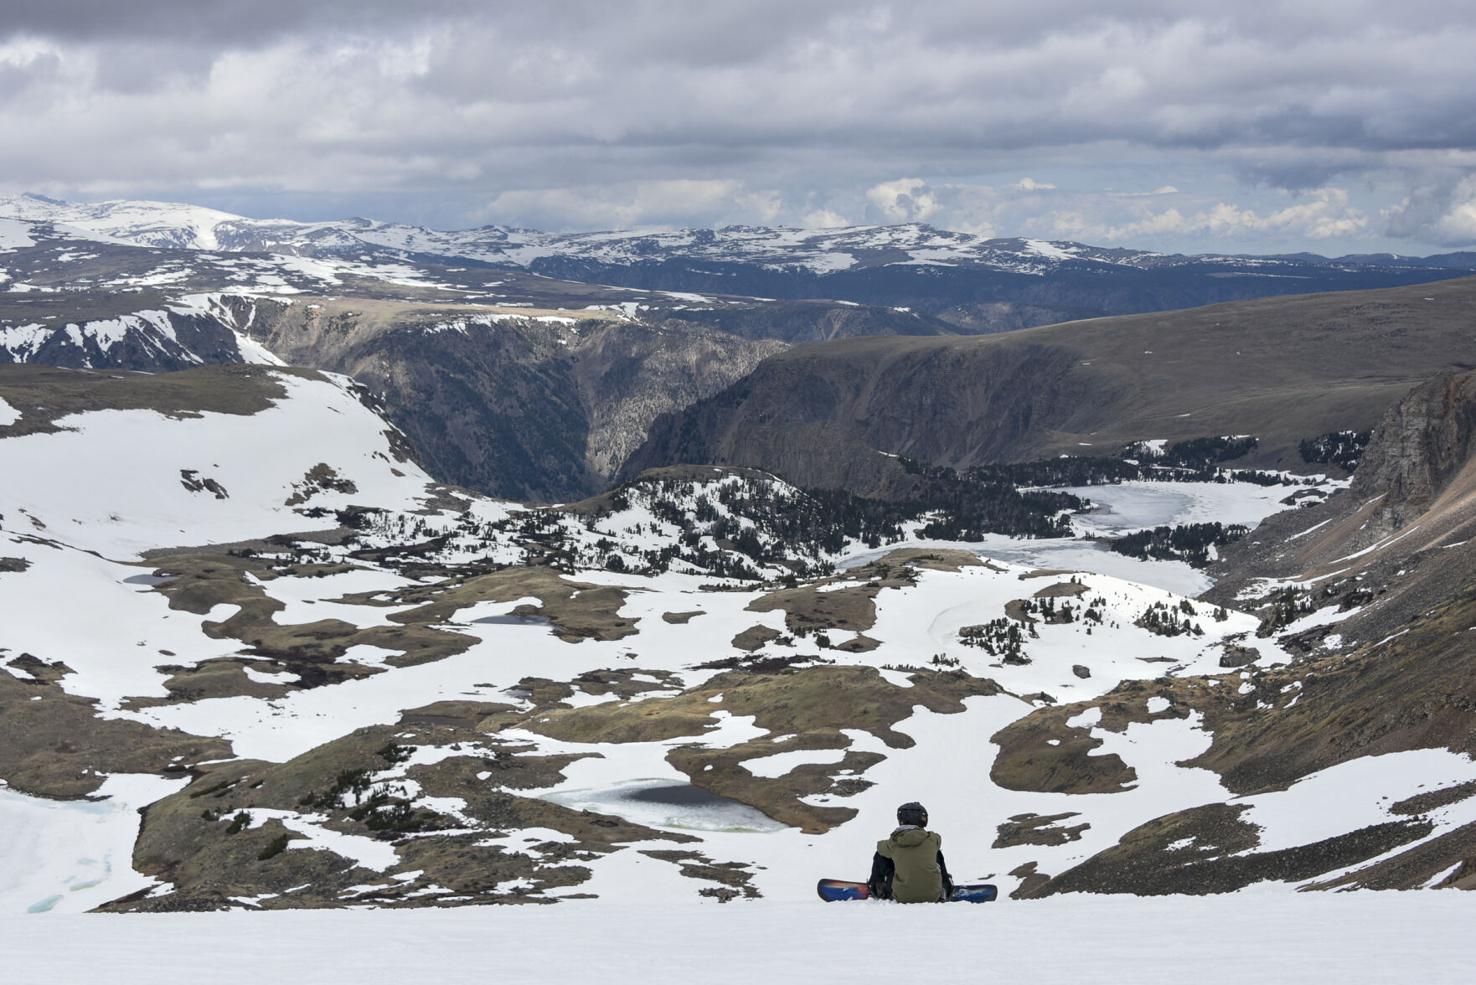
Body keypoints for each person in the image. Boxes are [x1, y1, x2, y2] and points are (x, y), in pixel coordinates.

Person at [867, 801, 955, 903]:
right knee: (936, 853)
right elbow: (937, 842)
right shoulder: (933, 839)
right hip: (933, 895)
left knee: (880, 855)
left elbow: (879, 847)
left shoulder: (893, 842)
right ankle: (946, 886)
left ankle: (876, 887)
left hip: (902, 896)